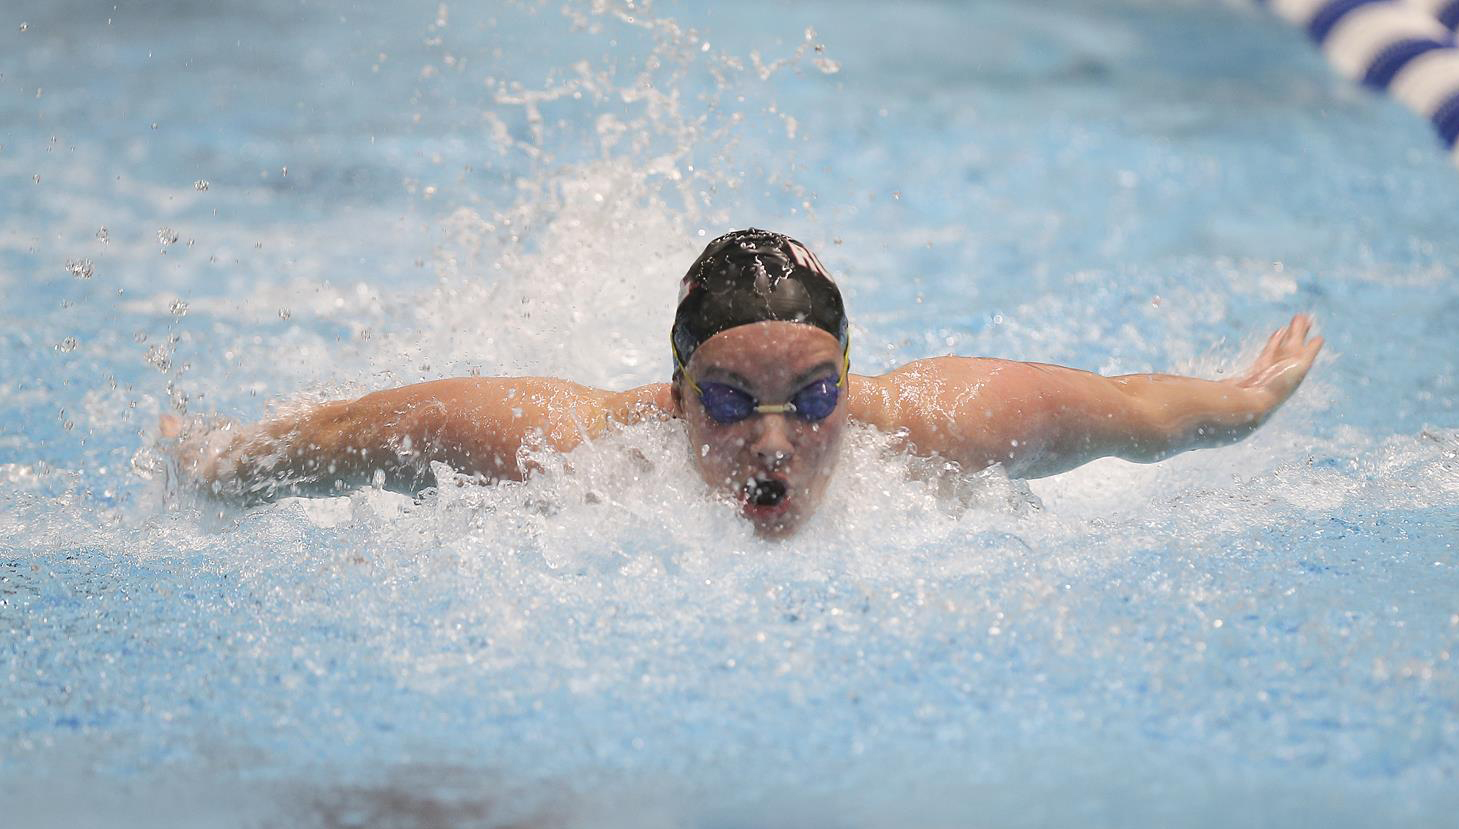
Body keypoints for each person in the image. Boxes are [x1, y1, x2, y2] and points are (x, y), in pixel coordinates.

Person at [163, 228, 1324, 537]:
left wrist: (1241, 404)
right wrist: (216, 463)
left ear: (850, 380)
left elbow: (1131, 414)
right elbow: (362, 431)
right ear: (672, 395)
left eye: (812, 397)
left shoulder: (944, 426)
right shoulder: (564, 443)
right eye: (728, 399)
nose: (775, 442)